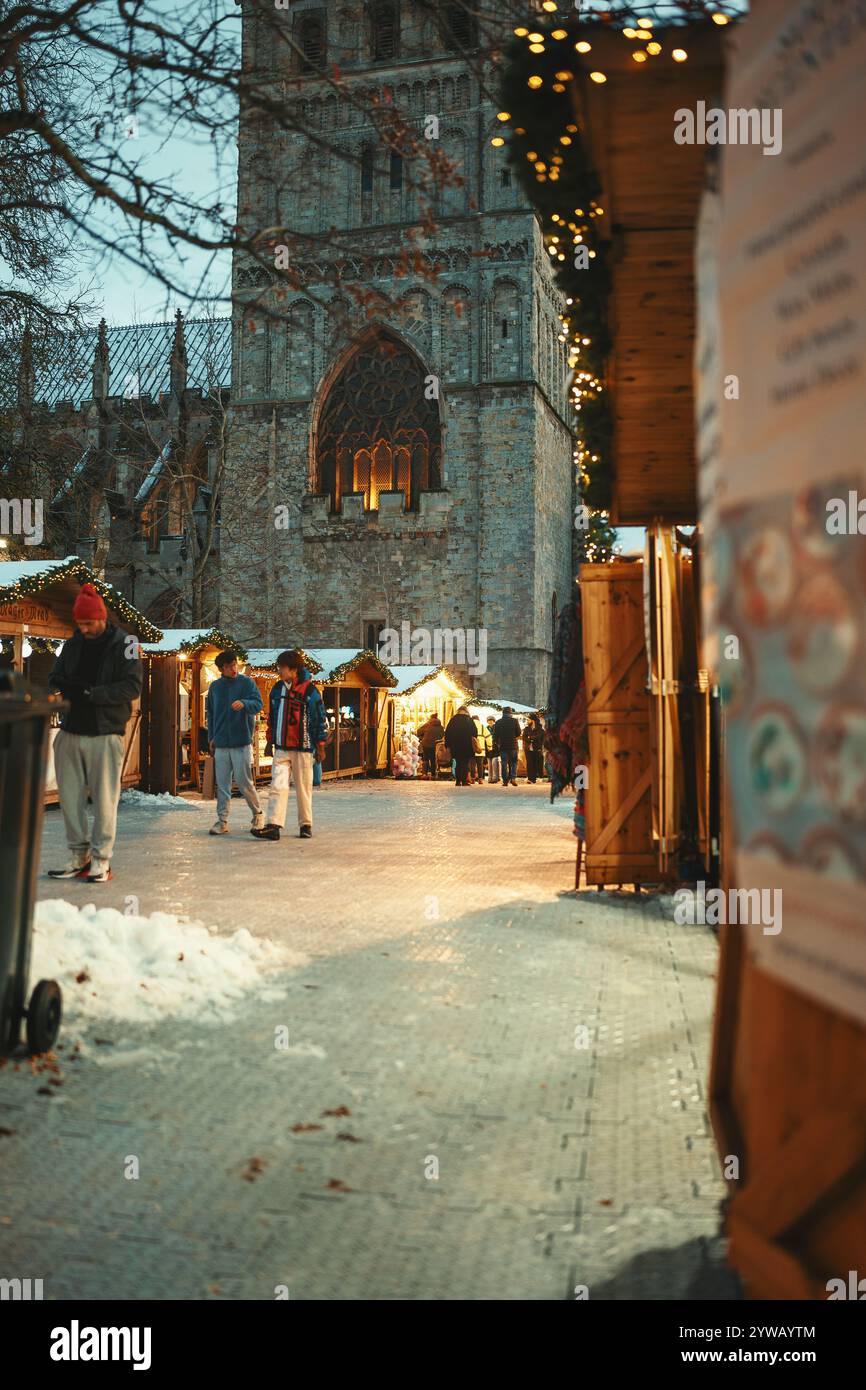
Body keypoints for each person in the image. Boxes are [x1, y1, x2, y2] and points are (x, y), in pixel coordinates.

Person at [47, 583, 142, 883]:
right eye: (80, 623)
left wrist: (93, 693)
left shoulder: (125, 643)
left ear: (101, 618)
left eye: (88, 623)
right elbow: (54, 675)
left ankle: (101, 859)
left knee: (104, 800)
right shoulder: (73, 643)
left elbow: (132, 686)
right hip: (71, 729)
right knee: (70, 798)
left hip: (105, 732)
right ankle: (78, 855)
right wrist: (63, 686)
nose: (84, 628)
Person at [252, 649, 327, 841]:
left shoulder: (310, 690)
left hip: (303, 747)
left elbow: (319, 718)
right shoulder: (277, 689)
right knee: (278, 785)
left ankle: (306, 824)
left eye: (282, 668)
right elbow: (273, 717)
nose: (279, 671)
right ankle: (274, 825)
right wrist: (270, 741)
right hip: (282, 747)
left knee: (303, 787)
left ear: (293, 670)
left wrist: (320, 745)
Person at [205, 650, 263, 835]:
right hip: (221, 742)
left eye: (235, 664)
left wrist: (244, 703)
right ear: (221, 669)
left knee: (244, 782)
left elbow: (258, 703)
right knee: (222, 785)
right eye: (229, 666)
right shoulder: (215, 687)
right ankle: (222, 820)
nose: (234, 669)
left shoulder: (247, 683)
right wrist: (211, 737)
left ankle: (258, 814)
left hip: (241, 741)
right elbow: (211, 714)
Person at [444, 704, 476, 786]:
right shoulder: (469, 720)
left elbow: (447, 733)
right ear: (466, 711)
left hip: (455, 746)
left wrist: (448, 745)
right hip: (467, 745)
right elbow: (474, 733)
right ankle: (464, 781)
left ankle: (458, 781)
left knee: (458, 763)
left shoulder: (453, 720)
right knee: (465, 763)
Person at [494, 706, 522, 786]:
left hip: (503, 746)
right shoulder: (514, 721)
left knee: (504, 763)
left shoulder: (498, 722)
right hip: (513, 745)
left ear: (503, 713)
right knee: (514, 763)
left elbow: (495, 735)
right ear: (510, 713)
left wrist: (497, 743)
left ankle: (505, 780)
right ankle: (513, 778)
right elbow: (519, 733)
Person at [416, 712, 445, 779]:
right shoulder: (441, 727)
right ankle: (433, 774)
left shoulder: (427, 725)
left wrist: (422, 737)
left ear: (431, 718)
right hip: (436, 745)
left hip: (426, 744)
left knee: (425, 759)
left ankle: (424, 774)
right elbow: (442, 735)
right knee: (433, 759)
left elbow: (418, 731)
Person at [523, 712, 546, 783]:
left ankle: (538, 777)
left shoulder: (540, 729)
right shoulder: (526, 729)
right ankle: (531, 779)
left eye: (528, 720)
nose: (527, 721)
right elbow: (524, 737)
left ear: (532, 720)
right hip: (528, 749)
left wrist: (530, 737)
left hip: (537, 748)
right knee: (529, 763)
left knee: (537, 763)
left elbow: (539, 737)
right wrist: (531, 738)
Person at [471, 712, 490, 782]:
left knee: (472, 764)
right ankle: (480, 779)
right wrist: (489, 746)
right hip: (480, 749)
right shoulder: (482, 726)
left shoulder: (469, 726)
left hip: (471, 749)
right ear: (478, 719)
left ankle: (472, 779)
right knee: (480, 764)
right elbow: (488, 737)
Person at [486, 716, 501, 784]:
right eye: (489, 720)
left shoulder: (496, 727)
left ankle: (495, 777)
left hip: (495, 747)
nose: (490, 721)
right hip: (488, 747)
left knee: (494, 762)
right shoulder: (486, 728)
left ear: (494, 721)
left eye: (491, 720)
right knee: (489, 764)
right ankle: (490, 778)